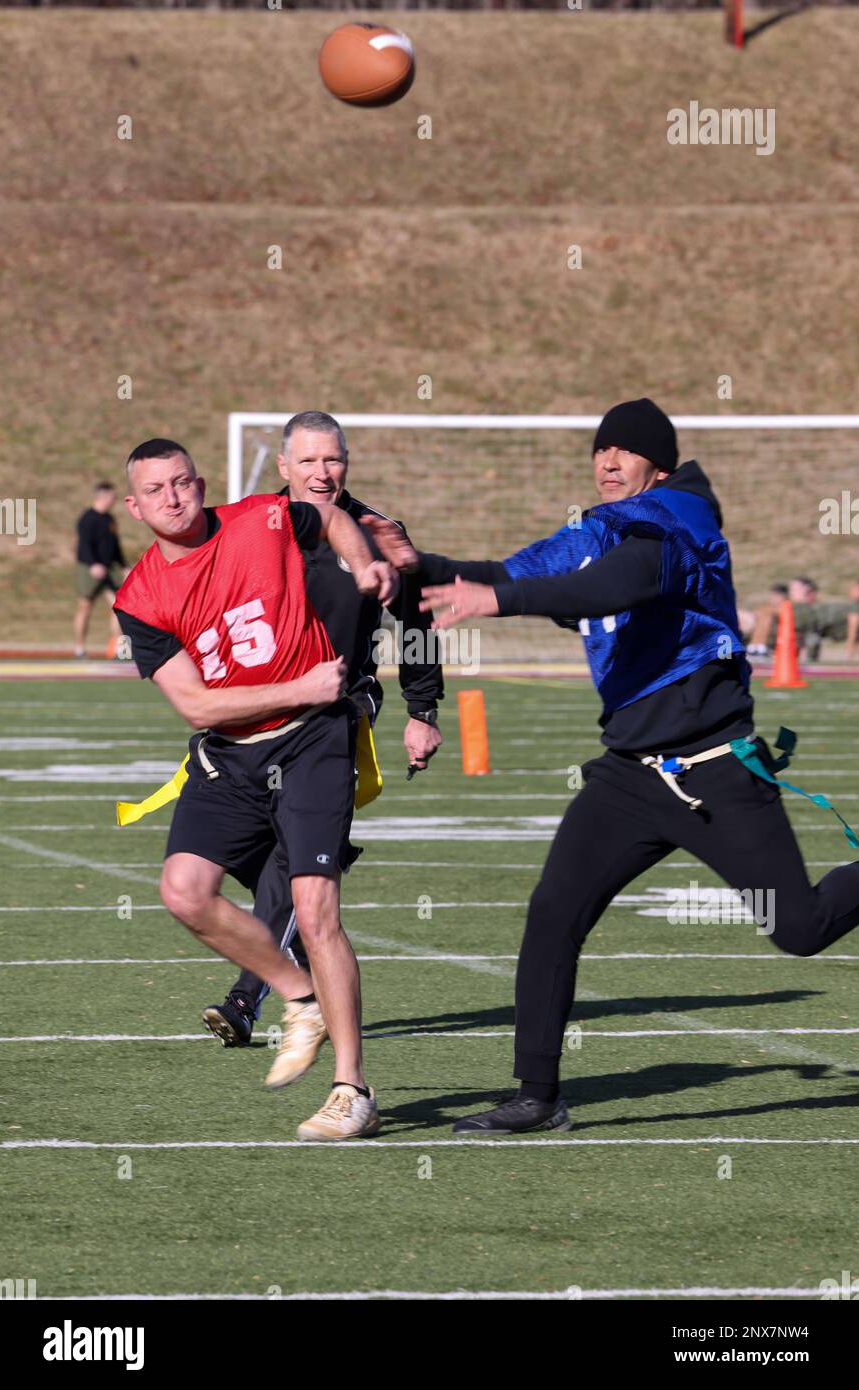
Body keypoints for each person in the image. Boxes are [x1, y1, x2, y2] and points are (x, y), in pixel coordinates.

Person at [366, 397, 859, 1135]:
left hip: (714, 770)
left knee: (799, 927)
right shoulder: (597, 529)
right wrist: (415, 567)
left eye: (623, 449)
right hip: (630, 775)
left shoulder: (679, 523)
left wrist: (500, 599)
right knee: (553, 912)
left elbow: (615, 585)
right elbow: (502, 571)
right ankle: (537, 1096)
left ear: (658, 463)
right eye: (600, 449)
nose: (605, 460)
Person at [113, 437, 399, 1141]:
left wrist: (365, 565)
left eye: (182, 482)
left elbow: (328, 515)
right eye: (155, 490)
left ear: (201, 482)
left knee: (314, 905)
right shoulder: (140, 596)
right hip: (230, 751)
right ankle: (296, 994)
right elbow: (200, 707)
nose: (172, 498)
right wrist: (299, 681)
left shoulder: (263, 517)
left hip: (312, 736)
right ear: (134, 506)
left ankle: (351, 1088)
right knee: (183, 890)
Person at [201, 410, 444, 1058]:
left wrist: (424, 712)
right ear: (283, 467)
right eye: (307, 461)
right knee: (251, 867)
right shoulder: (251, 527)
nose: (321, 471)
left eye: (331, 459)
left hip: (335, 722)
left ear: (347, 463)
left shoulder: (375, 533)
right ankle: (279, 978)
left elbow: (415, 621)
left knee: (296, 862)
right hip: (253, 723)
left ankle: (250, 998)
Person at [74, 482, 128, 657]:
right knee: (85, 607)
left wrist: (124, 565)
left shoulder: (109, 519)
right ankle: (80, 648)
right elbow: (83, 545)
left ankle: (121, 650)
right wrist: (93, 564)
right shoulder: (87, 518)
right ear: (102, 497)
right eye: (112, 497)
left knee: (119, 607)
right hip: (90, 569)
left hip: (109, 570)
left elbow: (115, 545)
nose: (114, 501)